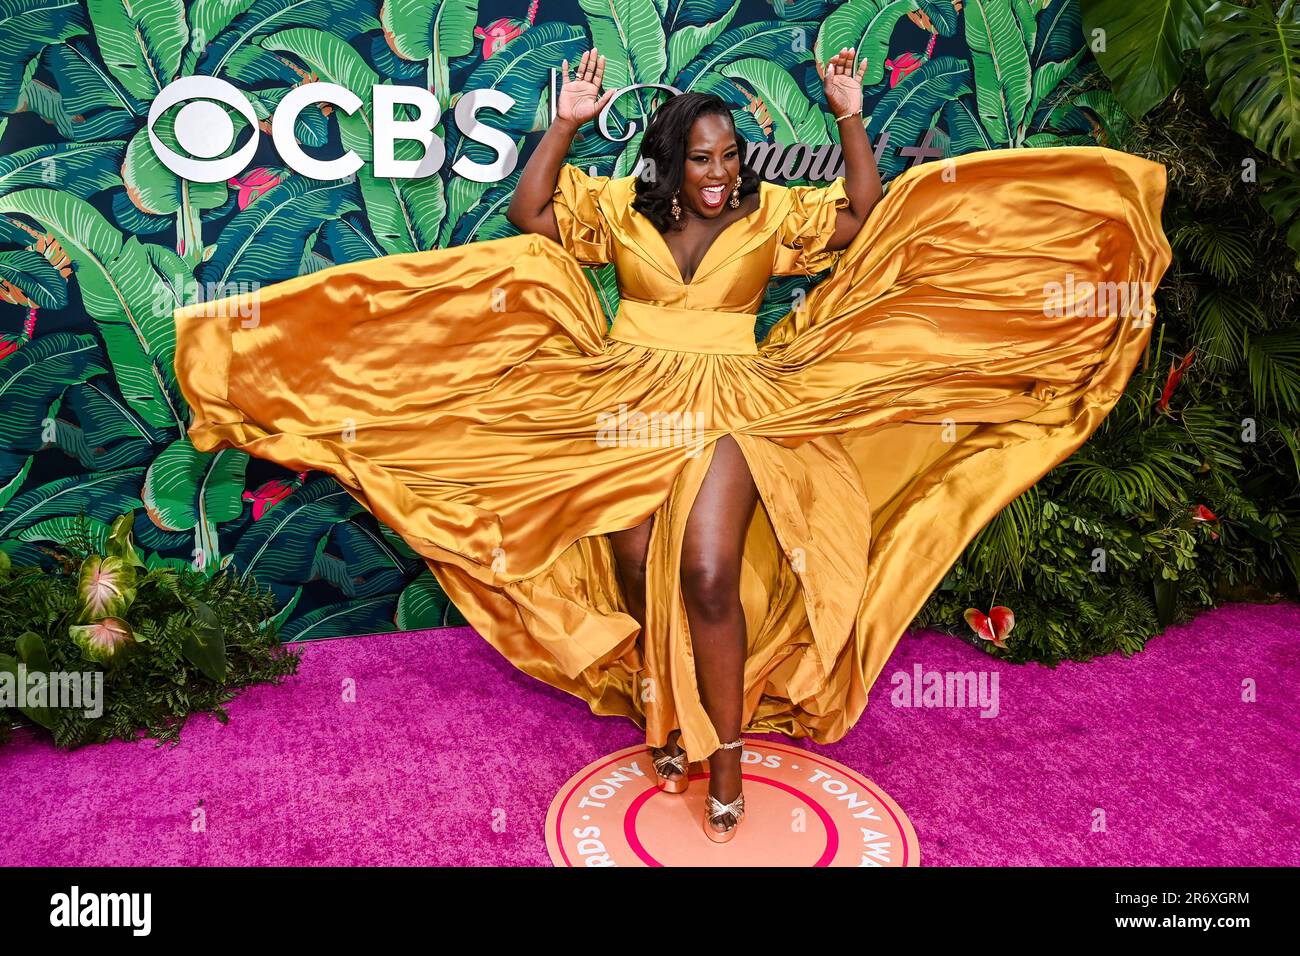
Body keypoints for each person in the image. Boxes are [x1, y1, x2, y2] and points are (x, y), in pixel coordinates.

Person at [173, 47, 1172, 846]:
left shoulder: (770, 214)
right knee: (629, 557)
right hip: (620, 395)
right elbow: (530, 216)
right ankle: (663, 708)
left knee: (704, 570)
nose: (720, 171)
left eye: (730, 154)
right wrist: (564, 124)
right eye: (701, 157)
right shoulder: (617, 206)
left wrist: (848, 113)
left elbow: (865, 217)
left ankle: (724, 755)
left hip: (733, 396)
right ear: (664, 162)